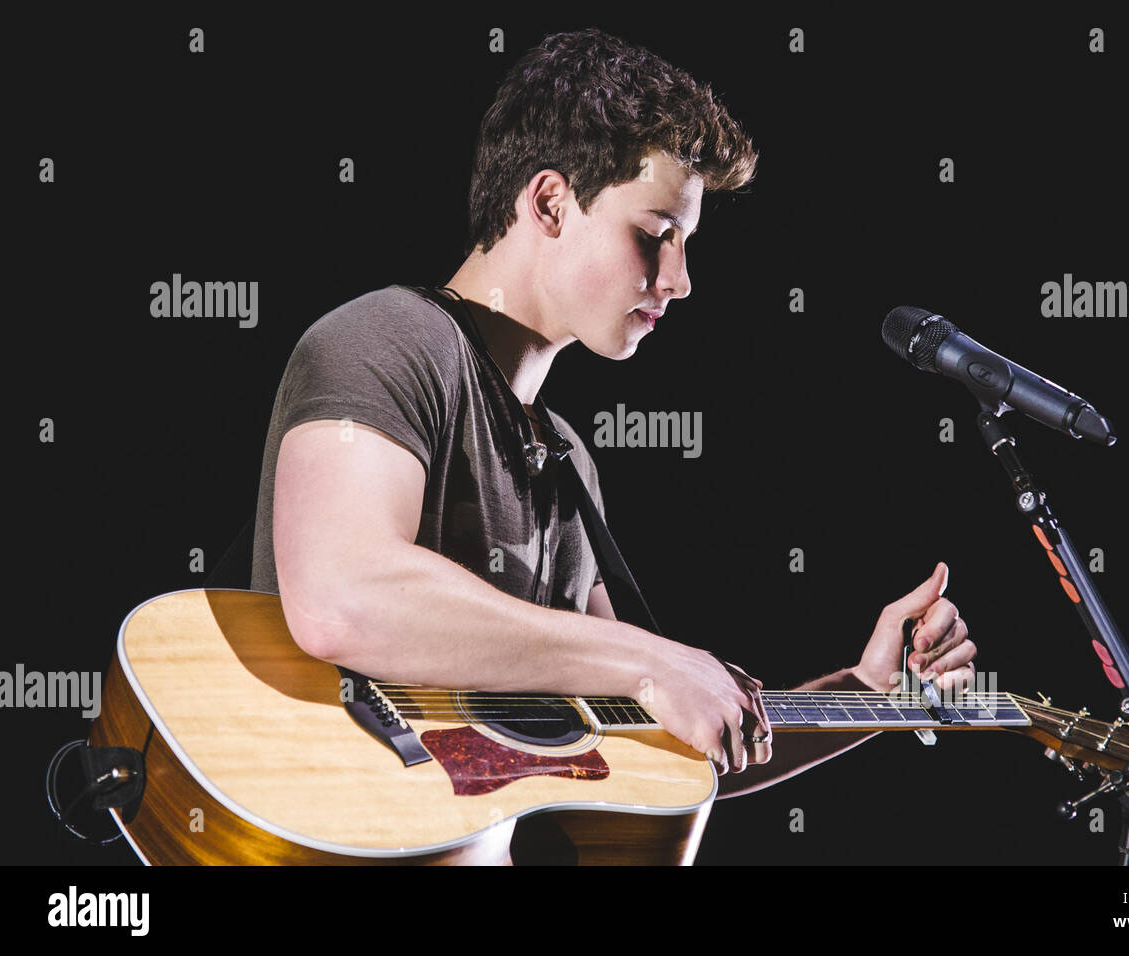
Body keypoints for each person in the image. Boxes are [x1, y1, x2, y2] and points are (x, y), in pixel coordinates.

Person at [250, 28, 975, 799]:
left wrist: (868, 694)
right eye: (657, 235)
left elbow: (651, 748)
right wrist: (645, 659)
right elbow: (343, 596)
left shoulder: (567, 463)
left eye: (685, 243)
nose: (680, 279)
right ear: (551, 203)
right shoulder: (388, 340)